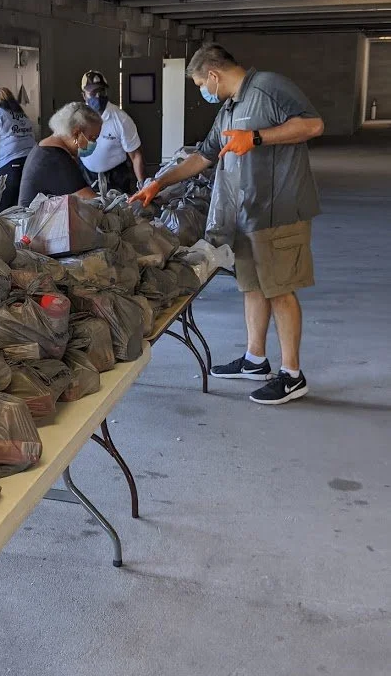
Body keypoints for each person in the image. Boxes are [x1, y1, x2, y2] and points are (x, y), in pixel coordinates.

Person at [130, 44, 324, 406]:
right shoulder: (230, 108)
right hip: (247, 212)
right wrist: (159, 183)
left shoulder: (268, 87)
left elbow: (313, 124)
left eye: (202, 83)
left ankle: (293, 375)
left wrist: (256, 137)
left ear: (214, 75)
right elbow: (203, 157)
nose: (203, 91)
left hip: (279, 209)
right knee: (252, 286)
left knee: (280, 289)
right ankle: (255, 360)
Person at [18, 103, 102, 207]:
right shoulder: (55, 158)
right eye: (92, 138)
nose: (94, 143)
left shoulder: (45, 148)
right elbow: (89, 199)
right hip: (38, 221)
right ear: (76, 133)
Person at [78, 69, 146, 195]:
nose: (98, 96)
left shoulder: (121, 119)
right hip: (86, 176)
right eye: (93, 92)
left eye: (101, 91)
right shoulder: (78, 118)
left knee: (117, 213)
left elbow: (136, 156)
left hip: (116, 179)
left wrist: (143, 186)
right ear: (84, 95)